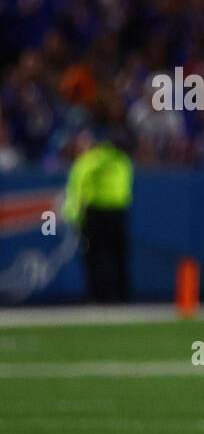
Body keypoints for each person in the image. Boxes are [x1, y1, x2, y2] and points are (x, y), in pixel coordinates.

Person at [63, 127, 134, 303]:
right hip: (118, 212)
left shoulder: (87, 161)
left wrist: (74, 216)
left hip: (95, 213)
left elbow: (76, 190)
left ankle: (99, 295)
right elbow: (126, 187)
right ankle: (121, 295)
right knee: (118, 255)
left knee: (95, 256)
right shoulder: (122, 160)